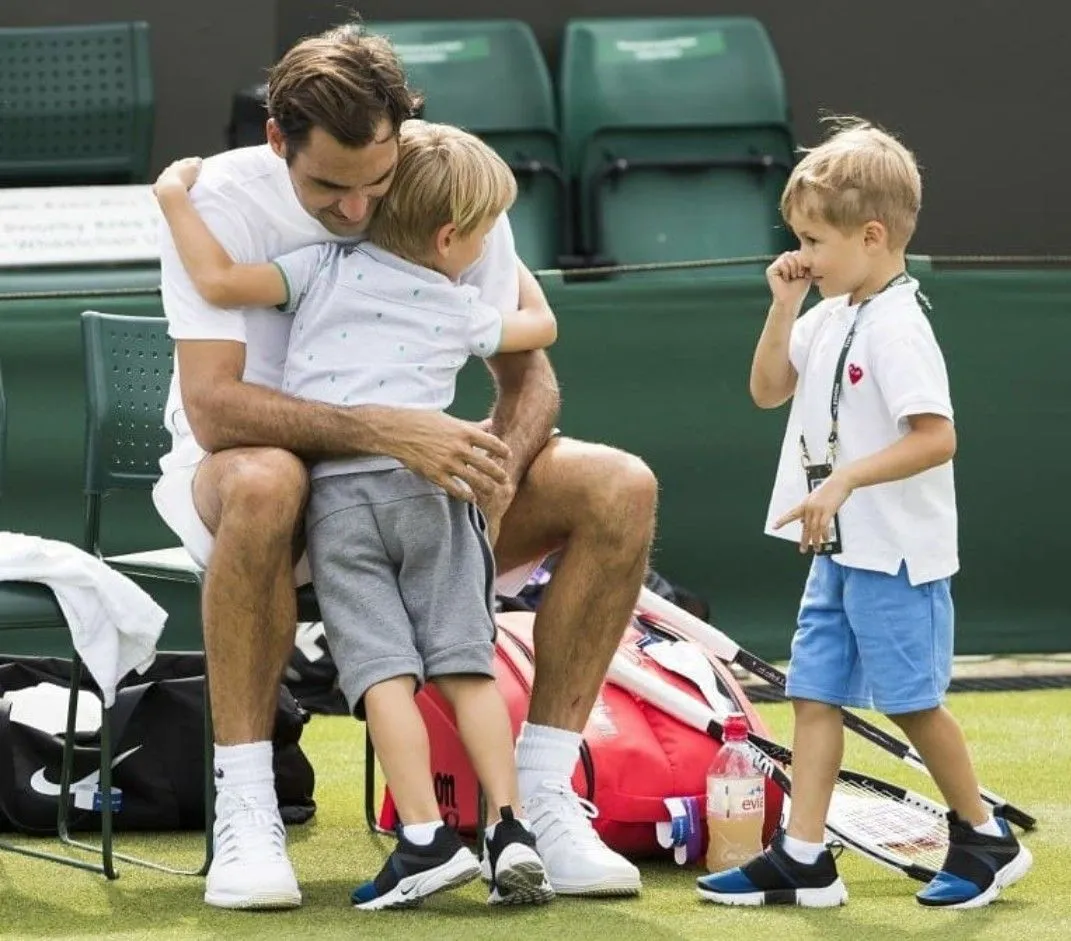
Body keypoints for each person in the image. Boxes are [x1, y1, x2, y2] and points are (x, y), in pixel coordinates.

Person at [153, 22, 655, 910]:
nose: (356, 211)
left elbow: (528, 372)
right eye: (328, 187)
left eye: (374, 183)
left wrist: (491, 480)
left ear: (403, 135)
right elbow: (216, 409)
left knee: (617, 483)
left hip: (419, 496)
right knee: (272, 475)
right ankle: (247, 804)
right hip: (247, 482)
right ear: (277, 140)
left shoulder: (441, 183)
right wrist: (386, 431)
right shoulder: (223, 199)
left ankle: (535, 804)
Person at [697, 119, 1032, 909]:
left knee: (912, 701)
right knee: (813, 696)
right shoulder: (828, 310)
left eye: (813, 238)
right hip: (837, 555)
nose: (801, 253)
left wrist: (844, 479)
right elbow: (767, 389)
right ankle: (803, 855)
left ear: (873, 235)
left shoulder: (898, 326)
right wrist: (782, 305)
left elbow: (936, 436)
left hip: (897, 557)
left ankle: (983, 834)